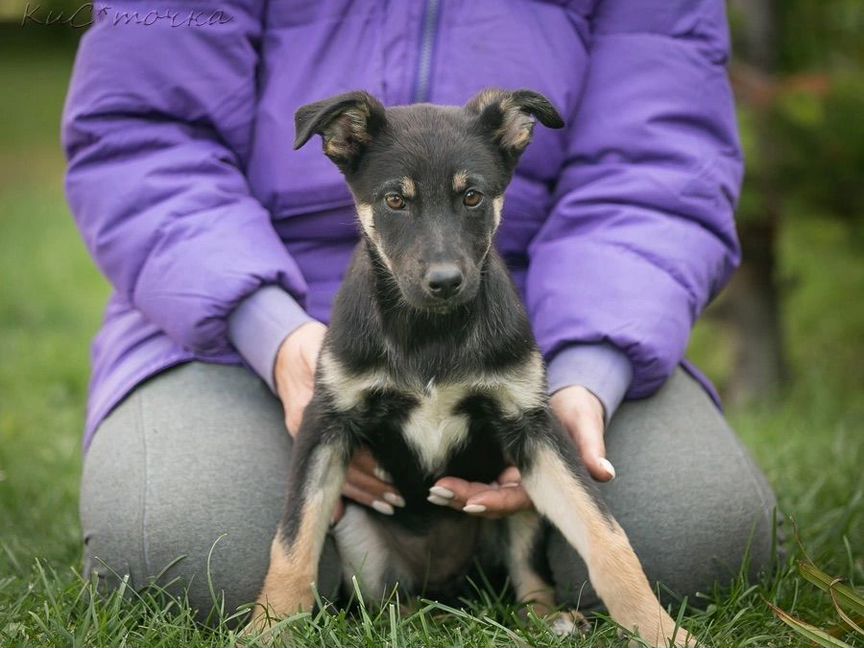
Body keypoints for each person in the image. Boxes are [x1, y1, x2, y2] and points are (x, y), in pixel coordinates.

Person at [64, 0, 779, 621]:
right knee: (183, 555)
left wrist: (592, 369)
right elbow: (138, 137)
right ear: (343, 148)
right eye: (396, 203)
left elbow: (660, 166)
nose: (440, 263)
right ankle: (358, 579)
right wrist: (267, 327)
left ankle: (531, 585)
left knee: (704, 542)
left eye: (472, 199)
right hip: (242, 308)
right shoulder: (348, 152)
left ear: (513, 146)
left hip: (559, 308)